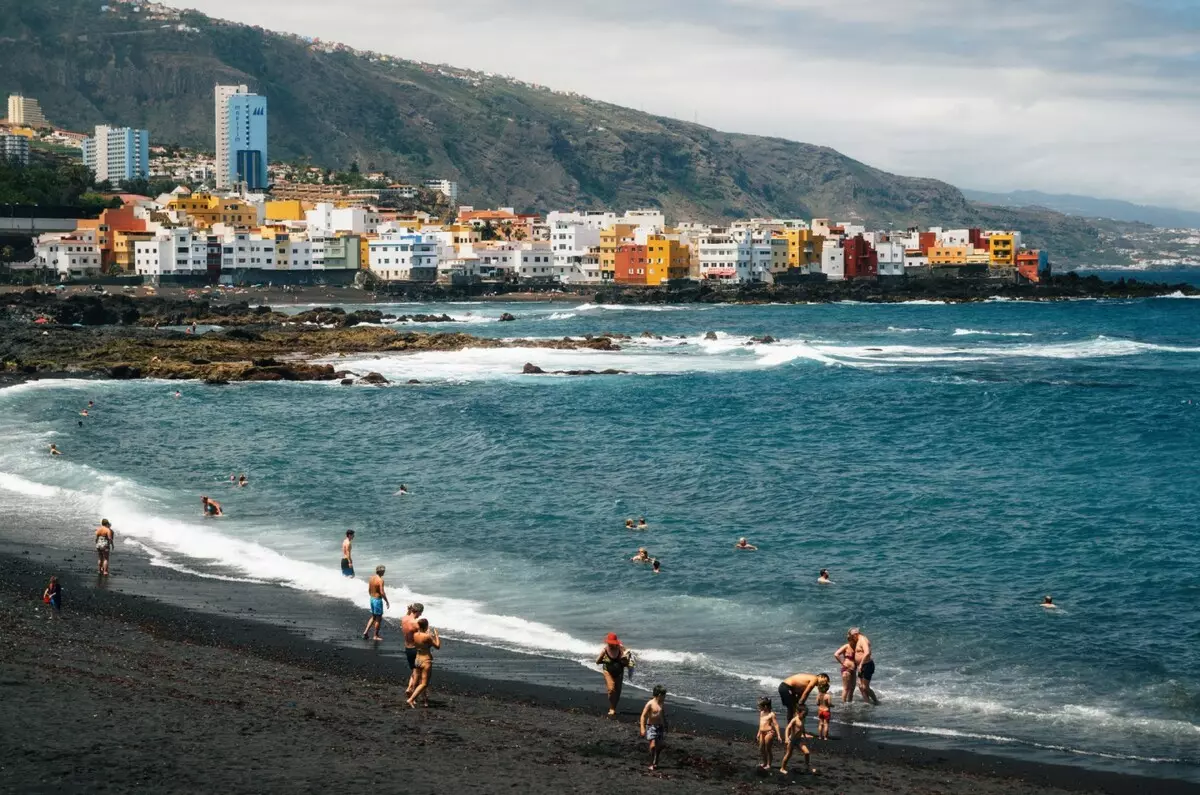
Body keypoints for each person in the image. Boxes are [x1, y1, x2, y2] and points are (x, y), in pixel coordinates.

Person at [406, 617, 441, 708]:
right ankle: (411, 699)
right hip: (426, 660)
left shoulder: (415, 635)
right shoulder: (427, 636)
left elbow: (423, 644)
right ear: (426, 626)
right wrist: (436, 635)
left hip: (417, 659)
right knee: (424, 683)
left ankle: (417, 699)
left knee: (417, 681)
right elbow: (437, 646)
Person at [596, 632, 632, 716]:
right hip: (608, 671)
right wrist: (605, 660)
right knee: (611, 689)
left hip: (619, 672)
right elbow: (597, 661)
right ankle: (612, 707)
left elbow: (627, 661)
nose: (611, 645)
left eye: (613, 643)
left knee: (618, 691)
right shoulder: (605, 650)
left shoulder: (621, 649)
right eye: (610, 643)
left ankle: (613, 708)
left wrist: (625, 658)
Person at [779, 704, 814, 775]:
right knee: (788, 754)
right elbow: (787, 728)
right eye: (804, 714)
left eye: (806, 714)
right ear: (798, 712)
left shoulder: (803, 719)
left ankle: (807, 766)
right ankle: (782, 768)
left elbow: (802, 728)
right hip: (791, 740)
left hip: (799, 740)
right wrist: (786, 738)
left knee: (807, 752)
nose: (805, 716)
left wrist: (805, 735)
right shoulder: (794, 719)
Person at [639, 685, 668, 771]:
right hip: (651, 727)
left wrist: (666, 725)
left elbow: (662, 715)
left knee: (660, 746)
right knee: (652, 746)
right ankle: (651, 763)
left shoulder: (662, 703)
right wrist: (642, 728)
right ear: (659, 695)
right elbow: (643, 716)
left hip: (660, 727)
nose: (665, 697)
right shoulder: (650, 703)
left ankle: (656, 760)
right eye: (664, 695)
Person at [849, 627, 880, 705]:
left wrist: (861, 664)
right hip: (861, 665)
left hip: (866, 665)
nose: (852, 638)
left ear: (855, 634)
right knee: (860, 685)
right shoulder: (858, 640)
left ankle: (876, 701)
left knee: (865, 687)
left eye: (852, 636)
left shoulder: (863, 640)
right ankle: (867, 703)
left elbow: (867, 652)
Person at [402, 603, 426, 697]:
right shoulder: (416, 624)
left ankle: (409, 688)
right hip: (415, 649)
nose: (420, 615)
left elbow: (408, 615)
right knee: (417, 673)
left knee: (414, 670)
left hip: (407, 648)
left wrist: (408, 611)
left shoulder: (404, 618)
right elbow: (423, 636)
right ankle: (412, 691)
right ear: (419, 612)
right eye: (420, 613)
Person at [362, 565, 389, 641]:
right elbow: (382, 592)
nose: (384, 572)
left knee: (373, 616)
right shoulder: (380, 580)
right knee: (378, 618)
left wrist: (372, 596)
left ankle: (366, 632)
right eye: (383, 571)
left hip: (372, 598)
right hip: (377, 600)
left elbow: (369, 589)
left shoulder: (371, 578)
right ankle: (375, 635)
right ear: (380, 571)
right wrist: (387, 601)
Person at [756, 696, 782, 771]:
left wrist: (779, 735)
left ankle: (768, 764)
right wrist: (758, 733)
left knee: (768, 749)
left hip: (769, 732)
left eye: (760, 706)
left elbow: (776, 725)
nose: (759, 708)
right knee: (761, 748)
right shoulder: (761, 713)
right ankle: (764, 762)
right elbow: (761, 724)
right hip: (762, 732)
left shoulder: (771, 714)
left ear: (766, 706)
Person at [833, 633, 857, 703]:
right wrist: (842, 663)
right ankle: (843, 704)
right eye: (850, 639)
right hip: (846, 669)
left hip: (854, 670)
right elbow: (836, 654)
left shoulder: (857, 647)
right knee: (846, 688)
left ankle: (849, 703)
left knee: (852, 688)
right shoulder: (846, 646)